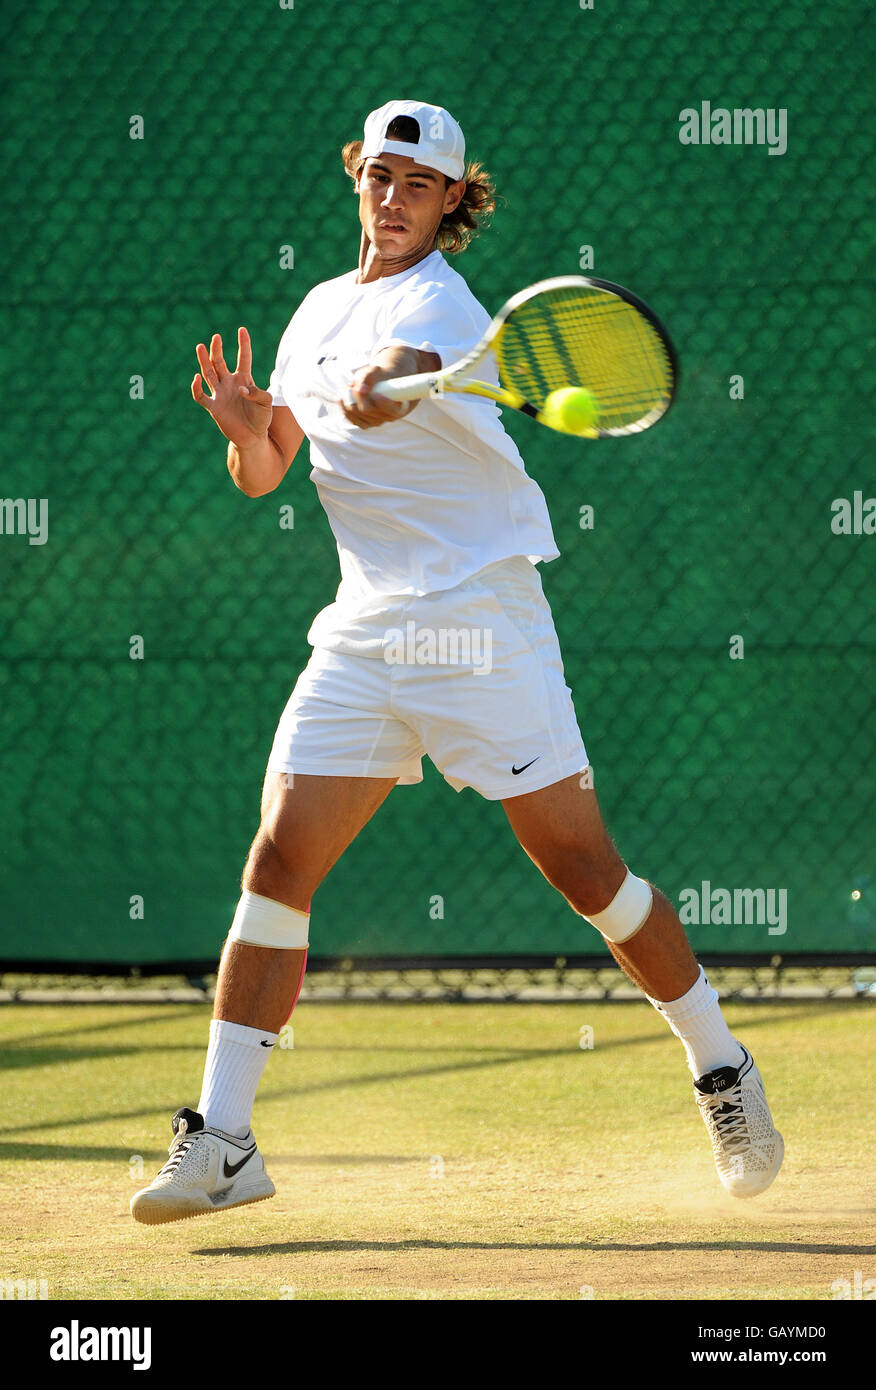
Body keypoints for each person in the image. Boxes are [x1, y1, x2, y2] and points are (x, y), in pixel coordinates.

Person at [131, 99, 783, 1225]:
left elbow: (399, 376)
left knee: (587, 874)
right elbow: (273, 467)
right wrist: (250, 432)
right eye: (379, 176)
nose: (392, 199)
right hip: (368, 628)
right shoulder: (315, 309)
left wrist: (386, 389)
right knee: (280, 860)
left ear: (449, 205)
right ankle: (223, 1138)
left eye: (417, 185)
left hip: (480, 624)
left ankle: (723, 1069)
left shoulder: (440, 302)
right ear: (360, 180)